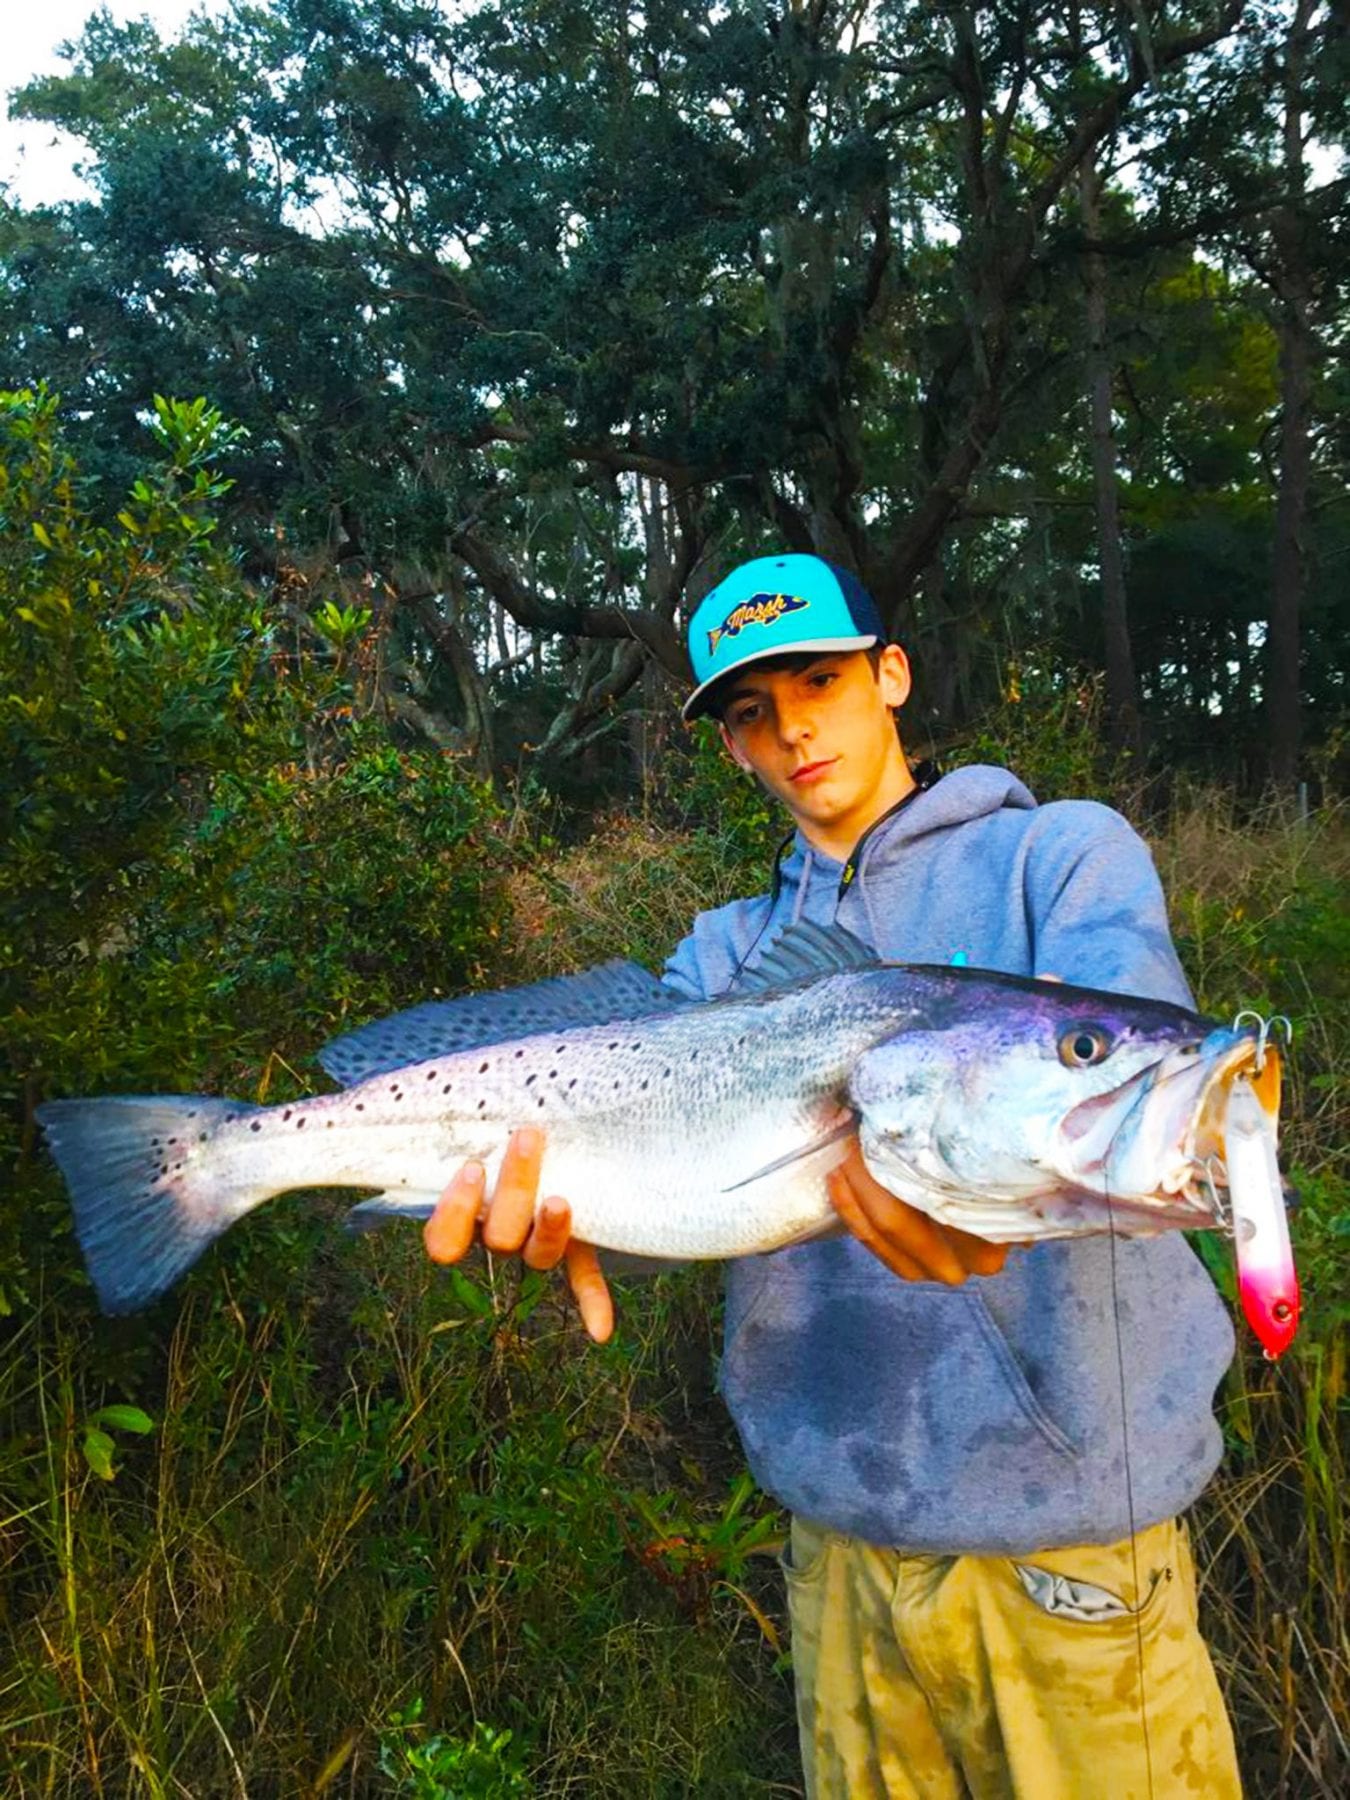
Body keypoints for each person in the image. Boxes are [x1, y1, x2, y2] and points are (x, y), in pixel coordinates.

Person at [423, 553, 1241, 1798]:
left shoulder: (1060, 856)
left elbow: (1134, 1089)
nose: (795, 728)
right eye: (754, 711)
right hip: (838, 1546)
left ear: (890, 674)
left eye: (820, 680)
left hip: (1075, 1546)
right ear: (733, 746)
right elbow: (679, 1186)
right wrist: (564, 1219)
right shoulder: (722, 958)